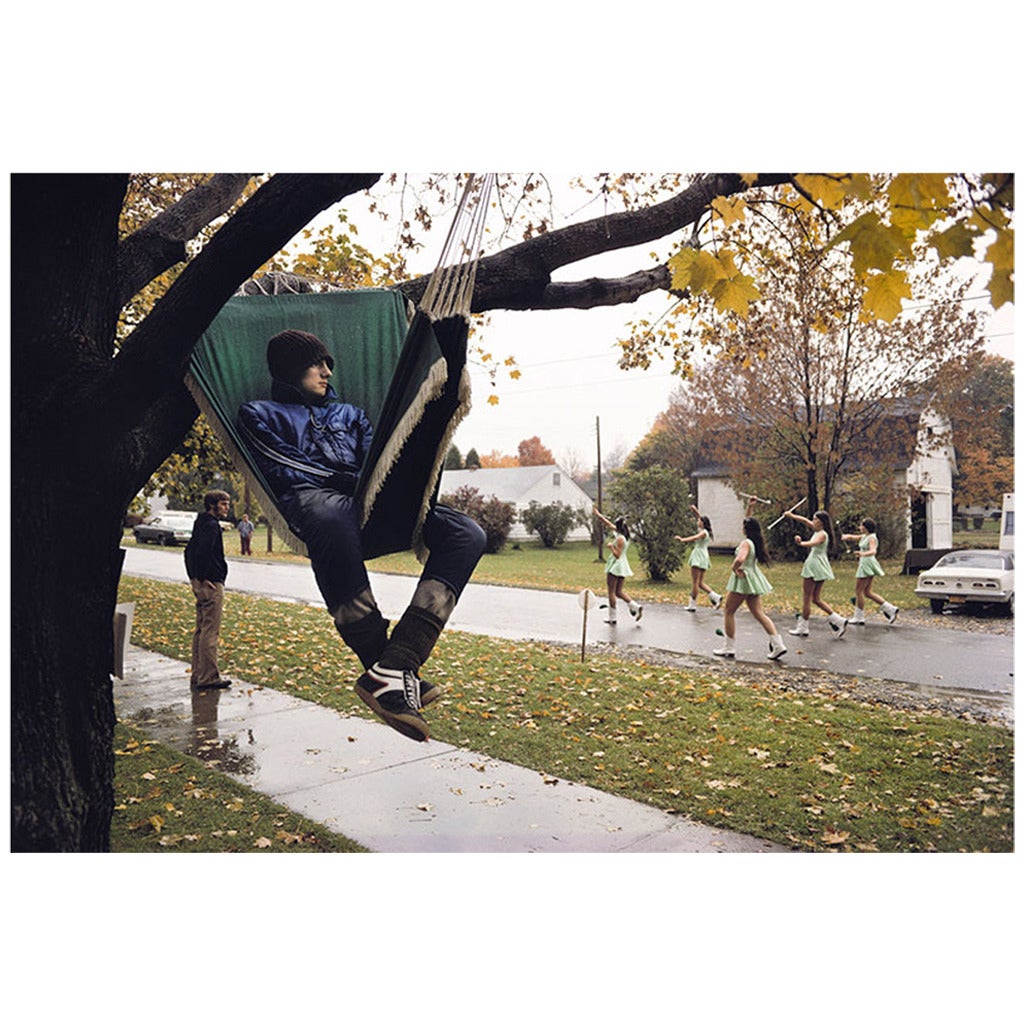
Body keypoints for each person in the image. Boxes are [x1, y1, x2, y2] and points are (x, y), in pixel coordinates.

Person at [237, 329, 486, 742]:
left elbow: (381, 458)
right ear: (289, 369)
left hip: (368, 501)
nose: (326, 370)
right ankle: (384, 662)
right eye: (315, 363)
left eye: (328, 363)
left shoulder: (351, 415)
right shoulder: (259, 413)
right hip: (314, 500)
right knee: (333, 515)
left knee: (467, 532)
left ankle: (398, 662)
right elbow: (284, 464)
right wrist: (351, 481)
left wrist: (385, 485)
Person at [713, 499, 787, 660]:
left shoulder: (746, 543)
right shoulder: (754, 541)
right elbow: (748, 523)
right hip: (753, 578)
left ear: (746, 529)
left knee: (728, 611)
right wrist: (750, 507)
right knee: (759, 613)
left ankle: (729, 647)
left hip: (743, 578)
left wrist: (734, 568)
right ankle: (778, 644)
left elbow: (740, 558)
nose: (741, 527)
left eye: (743, 525)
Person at [184, 490, 233, 690]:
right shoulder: (211, 526)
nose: (226, 508)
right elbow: (201, 552)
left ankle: (198, 675)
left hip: (202, 582)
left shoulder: (201, 523)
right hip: (211, 584)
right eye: (223, 504)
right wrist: (203, 579)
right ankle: (208, 678)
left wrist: (194, 577)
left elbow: (188, 552)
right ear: (212, 505)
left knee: (201, 630)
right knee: (210, 632)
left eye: (227, 504)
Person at [785, 507, 848, 638]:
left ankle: (803, 628)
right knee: (816, 599)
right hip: (820, 564)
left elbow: (813, 543)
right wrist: (792, 516)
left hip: (814, 565)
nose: (812, 521)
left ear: (822, 522)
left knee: (807, 598)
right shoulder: (819, 530)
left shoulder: (822, 534)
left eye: (815, 519)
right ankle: (839, 620)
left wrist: (801, 543)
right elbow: (805, 521)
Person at [841, 518, 899, 624]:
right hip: (866, 563)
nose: (860, 527)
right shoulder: (865, 536)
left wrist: (862, 554)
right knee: (867, 592)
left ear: (866, 527)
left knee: (858, 591)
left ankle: (859, 617)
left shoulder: (871, 538)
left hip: (867, 564)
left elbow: (873, 551)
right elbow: (854, 537)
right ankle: (890, 609)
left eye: (861, 525)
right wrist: (846, 537)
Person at [592, 506, 643, 625]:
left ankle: (612, 618)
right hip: (622, 566)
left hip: (616, 565)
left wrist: (611, 547)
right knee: (618, 592)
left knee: (611, 592)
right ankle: (635, 606)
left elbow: (617, 555)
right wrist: (599, 515)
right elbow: (609, 524)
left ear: (619, 527)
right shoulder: (624, 535)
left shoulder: (620, 539)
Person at [674, 504, 722, 611]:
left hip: (698, 555)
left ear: (703, 523)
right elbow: (700, 518)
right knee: (700, 583)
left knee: (695, 582)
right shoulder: (707, 531)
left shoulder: (703, 533)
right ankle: (716, 597)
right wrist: (696, 511)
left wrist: (682, 539)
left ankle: (692, 605)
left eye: (699, 521)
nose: (697, 522)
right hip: (704, 555)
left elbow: (694, 537)